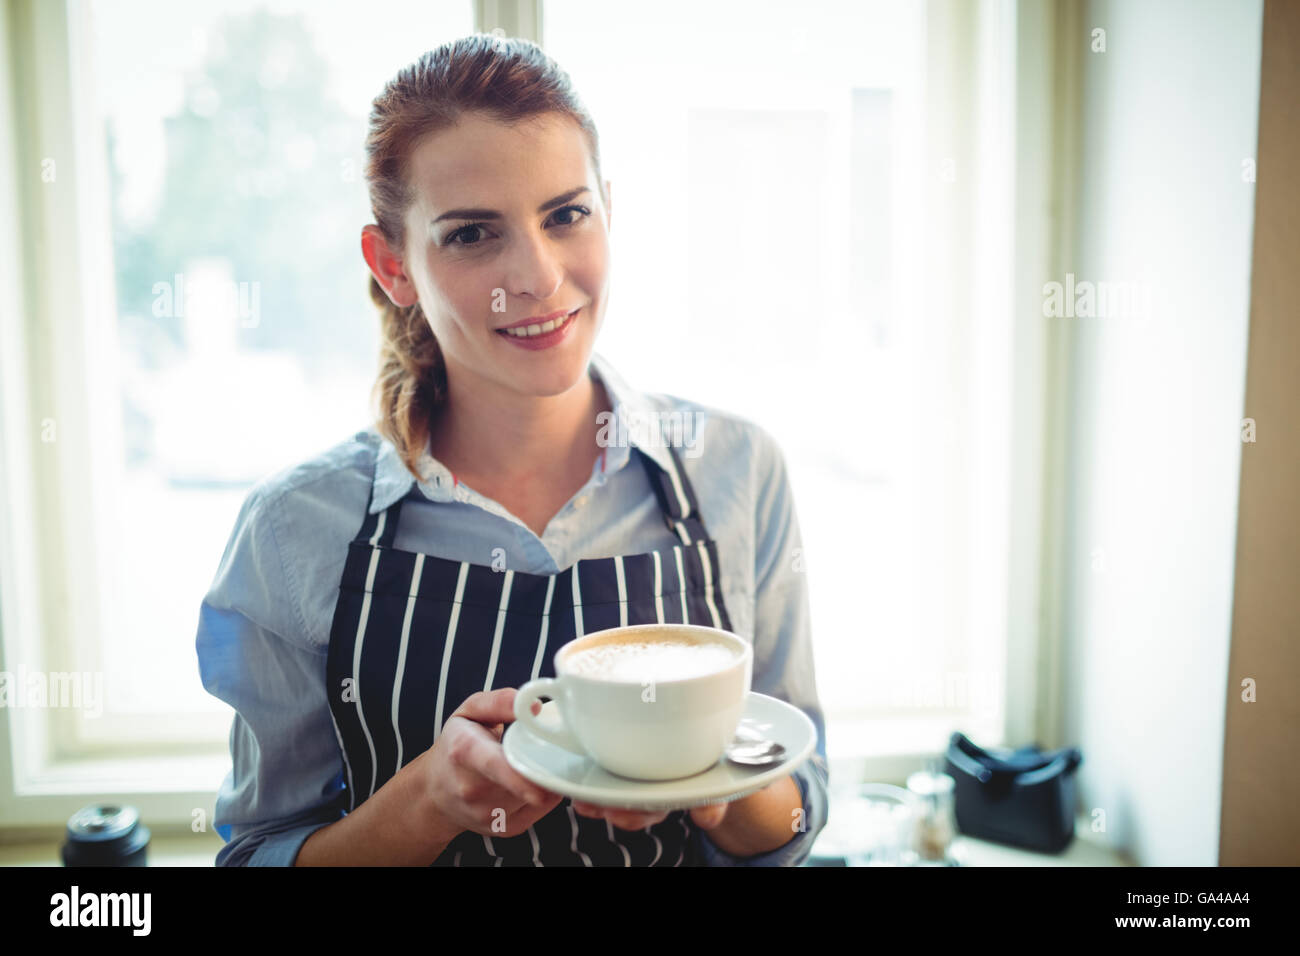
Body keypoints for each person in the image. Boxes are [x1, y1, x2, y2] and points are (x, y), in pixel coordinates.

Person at [195, 33, 828, 866]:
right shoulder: (294, 529)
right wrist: (428, 801)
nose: (536, 276)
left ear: (608, 208)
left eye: (566, 215)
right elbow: (256, 858)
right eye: (470, 235)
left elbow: (796, 817)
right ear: (394, 267)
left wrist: (705, 778)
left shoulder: (739, 472)